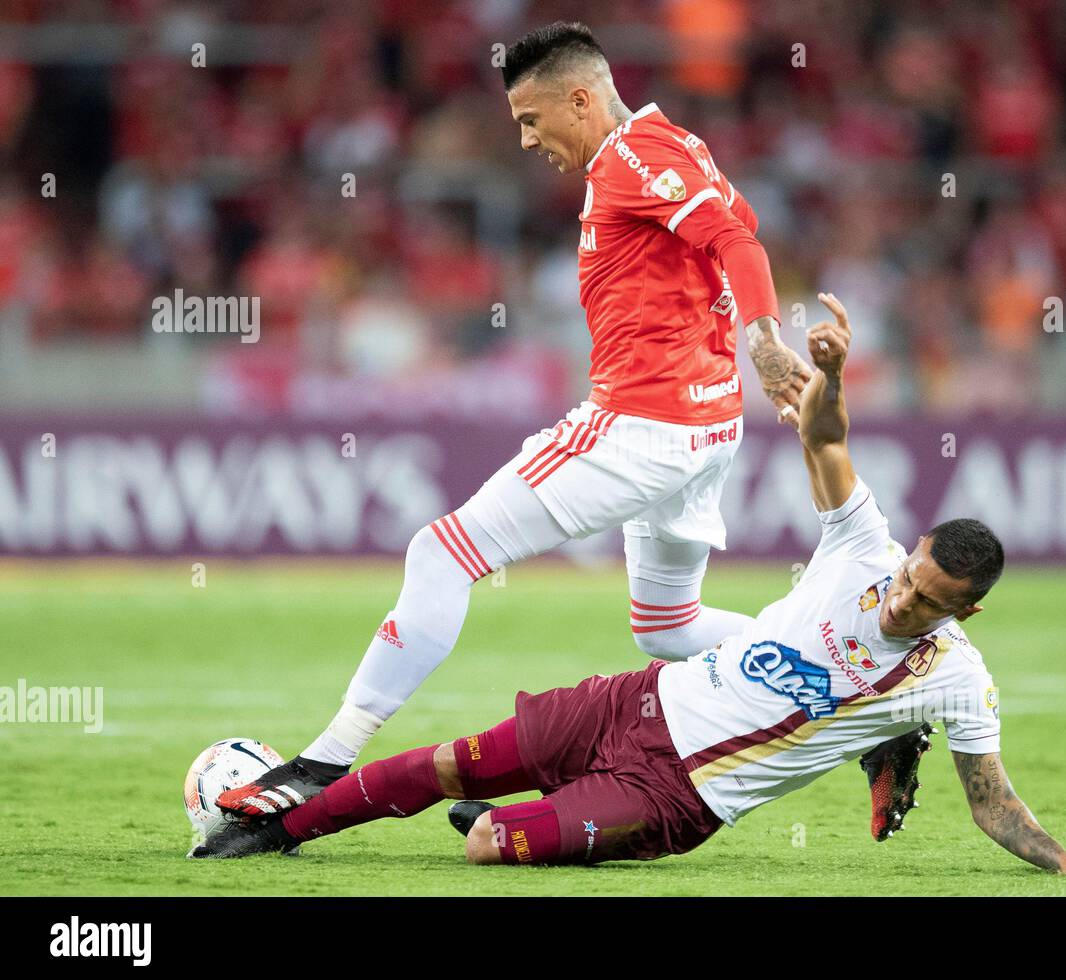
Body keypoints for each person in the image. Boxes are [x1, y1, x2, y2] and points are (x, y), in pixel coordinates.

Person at [194, 294, 1066, 878]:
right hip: (638, 701)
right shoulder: (864, 548)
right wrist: (829, 372)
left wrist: (1063, 859)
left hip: (678, 792)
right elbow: (825, 440)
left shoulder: (958, 677)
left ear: (965, 611)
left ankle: (541, 817)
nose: (906, 600)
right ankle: (277, 828)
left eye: (930, 602)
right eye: (912, 579)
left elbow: (991, 799)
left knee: (485, 845)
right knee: (448, 763)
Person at [216, 22, 813, 819]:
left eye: (533, 120)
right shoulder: (676, 145)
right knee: (669, 629)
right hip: (706, 428)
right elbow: (736, 226)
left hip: (644, 422)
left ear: (580, 97)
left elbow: (739, 243)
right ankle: (831, 673)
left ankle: (324, 762)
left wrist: (766, 342)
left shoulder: (635, 157)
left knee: (441, 553)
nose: (527, 140)